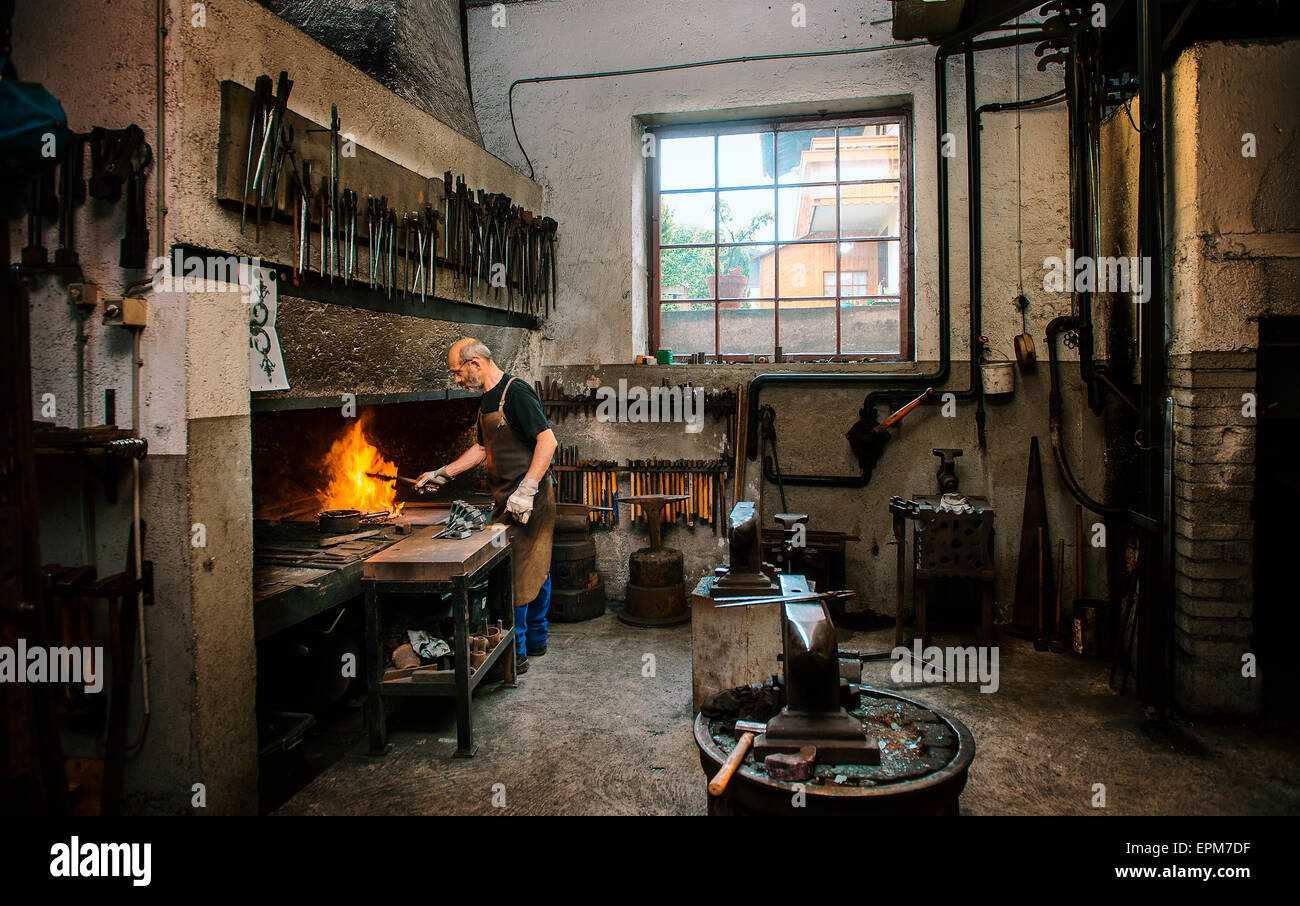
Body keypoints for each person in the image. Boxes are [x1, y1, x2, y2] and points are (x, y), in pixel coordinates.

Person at [416, 338, 558, 674]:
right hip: (507, 498)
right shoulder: (486, 402)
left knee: (521, 570)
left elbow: (548, 441)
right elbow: (481, 449)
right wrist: (443, 473)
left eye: (457, 372)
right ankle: (536, 639)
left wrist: (527, 488)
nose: (456, 380)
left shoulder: (516, 392)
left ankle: (518, 652)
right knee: (533, 564)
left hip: (529, 500)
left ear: (475, 364)